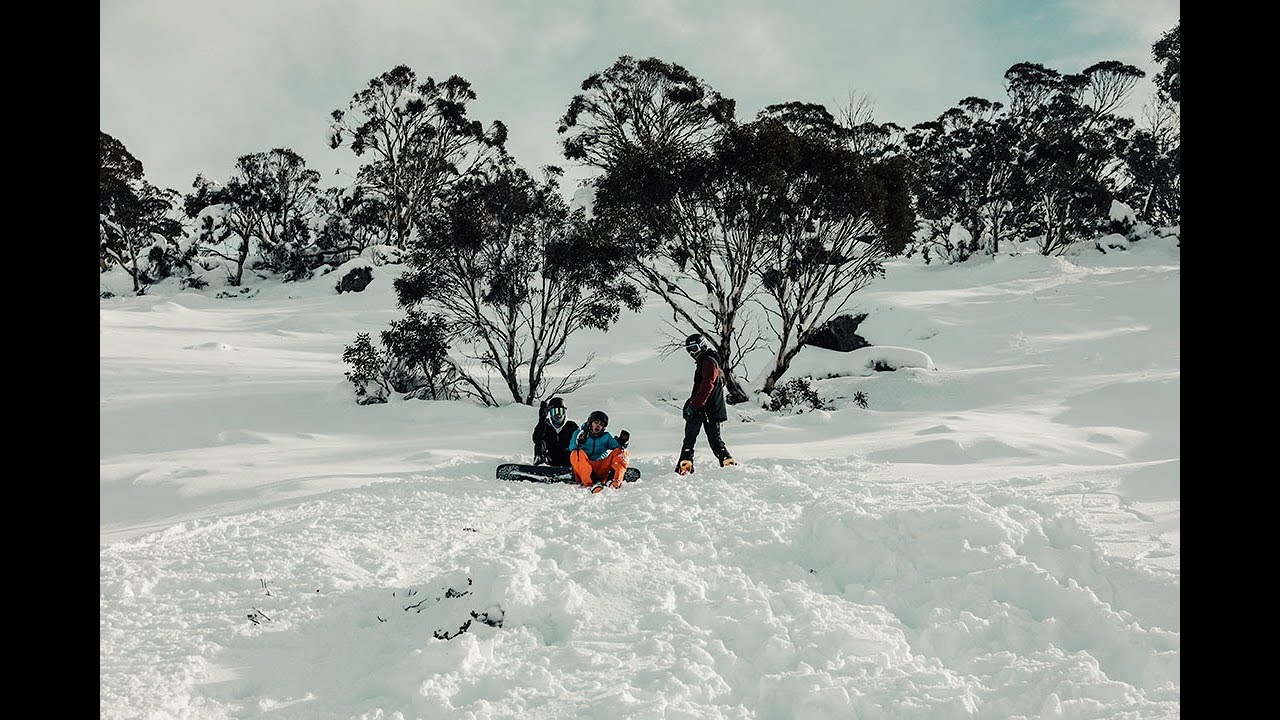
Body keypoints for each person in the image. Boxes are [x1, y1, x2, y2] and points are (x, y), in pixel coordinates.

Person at [676, 333, 735, 474]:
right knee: (714, 438)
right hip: (709, 407)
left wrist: (694, 405)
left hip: (704, 408)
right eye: (688, 349)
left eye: (694, 348)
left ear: (702, 346)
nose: (692, 353)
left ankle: (685, 463)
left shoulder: (708, 361)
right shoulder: (709, 360)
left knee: (690, 438)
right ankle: (726, 460)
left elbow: (707, 384)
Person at [568, 409, 631, 491]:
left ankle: (615, 482)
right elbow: (571, 448)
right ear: (590, 424)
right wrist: (579, 442)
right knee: (576, 453)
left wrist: (622, 442)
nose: (598, 425)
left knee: (622, 452)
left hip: (600, 468)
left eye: (601, 424)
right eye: (596, 422)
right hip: (583, 470)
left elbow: (617, 448)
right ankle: (590, 485)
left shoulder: (606, 436)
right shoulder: (579, 433)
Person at [532, 397, 578, 466]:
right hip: (549, 459)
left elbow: (579, 442)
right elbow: (536, 439)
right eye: (555, 411)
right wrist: (541, 421)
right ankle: (540, 463)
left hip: (567, 459)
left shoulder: (571, 426)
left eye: (561, 411)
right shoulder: (545, 424)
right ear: (550, 413)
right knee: (540, 443)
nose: (559, 415)